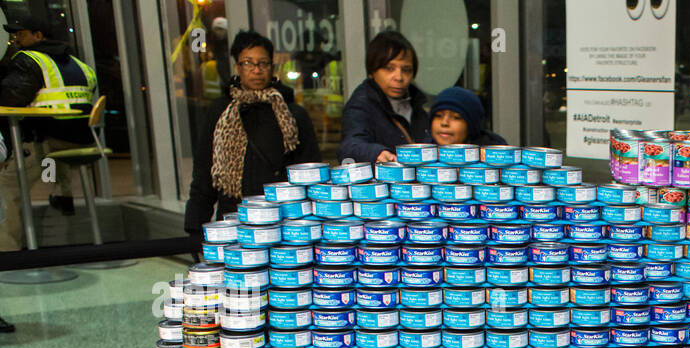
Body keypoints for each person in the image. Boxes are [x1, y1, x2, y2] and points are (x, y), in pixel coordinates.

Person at [184, 30, 319, 239]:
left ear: (272, 67)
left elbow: (309, 171)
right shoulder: (221, 111)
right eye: (248, 63)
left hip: (280, 223)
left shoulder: (292, 113)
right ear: (237, 67)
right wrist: (194, 225)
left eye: (263, 63)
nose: (256, 70)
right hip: (233, 221)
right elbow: (204, 172)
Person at [0, 13, 97, 263]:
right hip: (84, 141)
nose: (15, 40)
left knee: (6, 186)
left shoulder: (28, 60)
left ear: (38, 36)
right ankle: (62, 193)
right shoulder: (77, 63)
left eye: (20, 34)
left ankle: (7, 253)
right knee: (53, 154)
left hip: (49, 139)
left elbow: (11, 98)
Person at [339, 30, 430, 164]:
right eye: (389, 68)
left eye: (406, 70)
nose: (399, 77)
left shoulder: (417, 102)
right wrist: (376, 153)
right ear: (372, 70)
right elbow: (350, 146)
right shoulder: (361, 104)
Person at [429, 86, 505, 147]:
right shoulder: (423, 153)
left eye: (456, 117)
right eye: (438, 116)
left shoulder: (492, 155)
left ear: (472, 126)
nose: (444, 123)